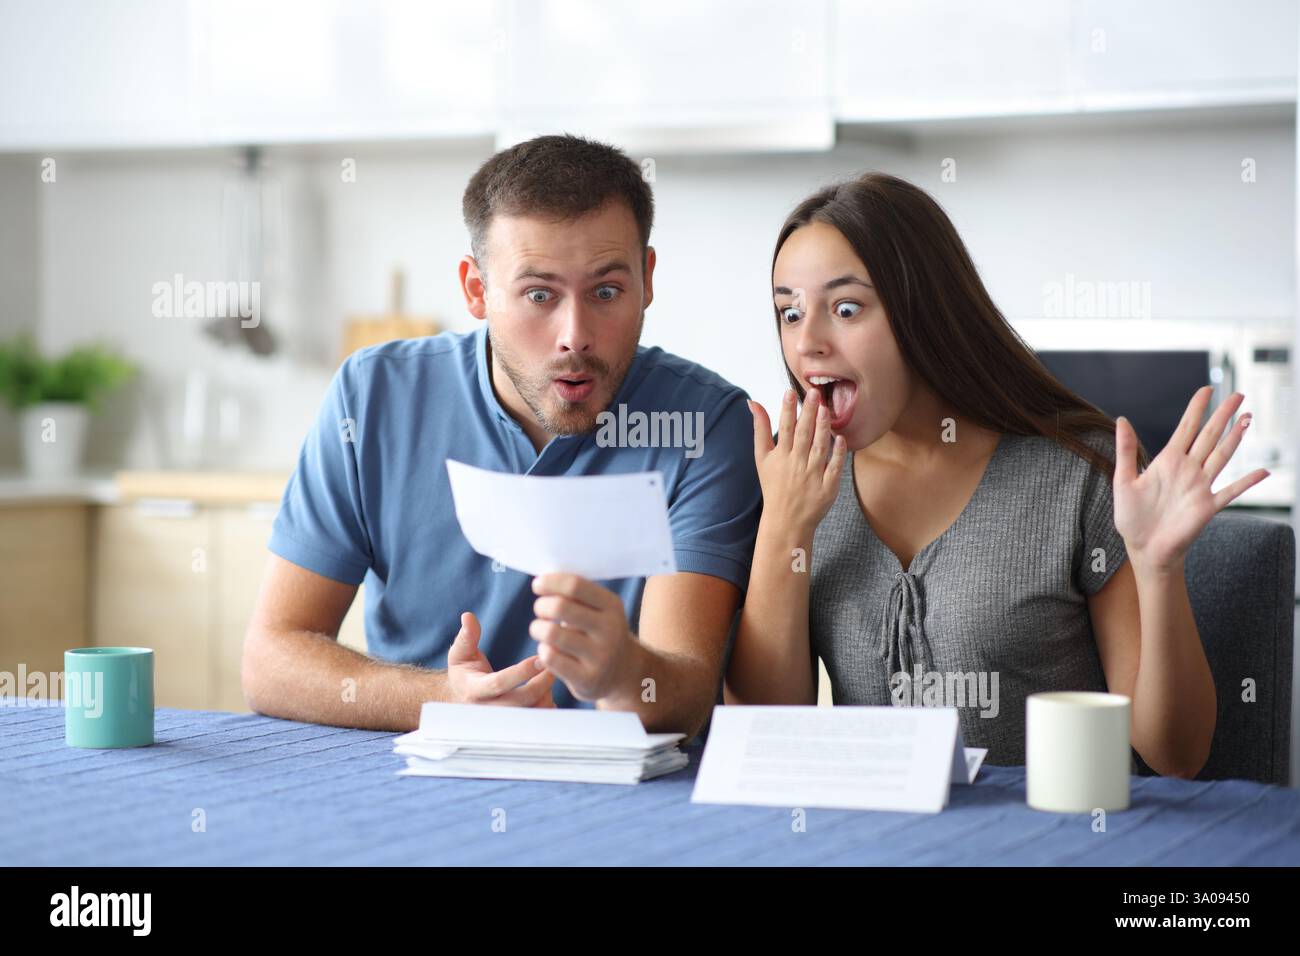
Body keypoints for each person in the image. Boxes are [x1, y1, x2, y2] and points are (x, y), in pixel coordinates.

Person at [724, 171, 1269, 776]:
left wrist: (1158, 569)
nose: (807, 343)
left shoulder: (1079, 475)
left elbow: (1176, 756)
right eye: (789, 313)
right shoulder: (797, 483)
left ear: (924, 310)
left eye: (845, 308)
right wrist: (784, 529)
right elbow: (766, 740)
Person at [242, 134, 761, 738]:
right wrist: (444, 699)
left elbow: (689, 690)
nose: (575, 335)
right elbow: (271, 659)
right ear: (476, 290)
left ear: (646, 279)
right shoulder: (373, 395)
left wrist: (622, 672)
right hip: (421, 789)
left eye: (606, 292)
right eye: (539, 294)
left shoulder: (706, 426)